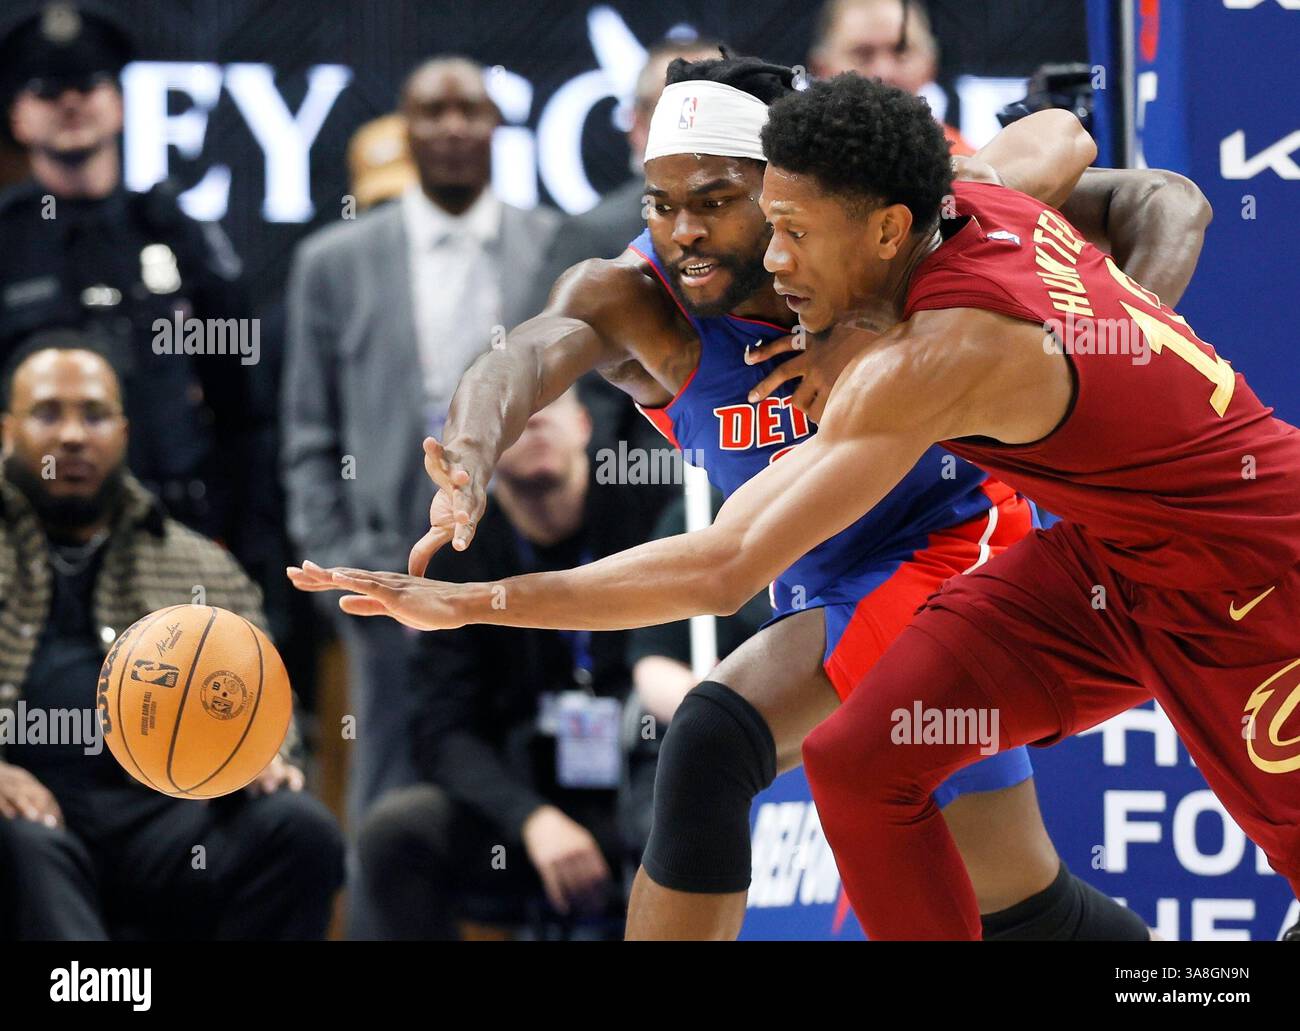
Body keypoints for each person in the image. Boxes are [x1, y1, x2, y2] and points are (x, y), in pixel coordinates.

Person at [289, 54, 1208, 940]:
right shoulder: (637, 297)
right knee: (1017, 900)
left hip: (955, 545)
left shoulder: (886, 234)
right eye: (662, 204)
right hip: (807, 573)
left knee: (722, 744)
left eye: (716, 203)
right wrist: (469, 449)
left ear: (785, 195)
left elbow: (1157, 194)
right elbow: (523, 354)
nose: (682, 230)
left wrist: (1109, 352)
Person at [282, 56, 560, 833]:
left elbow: (583, 408)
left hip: (514, 563)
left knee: (519, 776)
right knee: (382, 799)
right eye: (432, 111)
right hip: (376, 560)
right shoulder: (331, 263)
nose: (451, 127)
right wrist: (338, 556)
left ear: (497, 125)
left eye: (469, 109)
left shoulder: (550, 247)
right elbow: (308, 434)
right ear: (405, 128)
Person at [0, 334, 343, 939]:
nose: (74, 436)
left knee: (299, 828)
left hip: (167, 818)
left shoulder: (199, 564)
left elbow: (266, 693)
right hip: (29, 817)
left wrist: (265, 755)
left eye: (96, 415)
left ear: (125, 434)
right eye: (49, 413)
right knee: (21, 848)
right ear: (8, 430)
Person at [356, 391, 658, 939]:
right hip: (530, 808)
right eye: (515, 414)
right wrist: (530, 819)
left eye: (549, 405)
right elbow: (442, 733)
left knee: (685, 814)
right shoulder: (456, 557)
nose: (535, 418)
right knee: (397, 832)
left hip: (650, 783)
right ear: (484, 452)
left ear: (586, 423)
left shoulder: (650, 512)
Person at [0, 2, 266, 563]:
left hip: (174, 530)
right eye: (47, 91)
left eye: (90, 85)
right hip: (28, 540)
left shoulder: (178, 231)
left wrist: (249, 541)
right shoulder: (8, 241)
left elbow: (242, 401)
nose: (71, 102)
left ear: (119, 104)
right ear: (18, 116)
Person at [809, 0, 974, 155]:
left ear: (930, 65)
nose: (884, 72)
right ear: (820, 69)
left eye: (901, 51)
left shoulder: (965, 166)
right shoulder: (792, 168)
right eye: (862, 54)